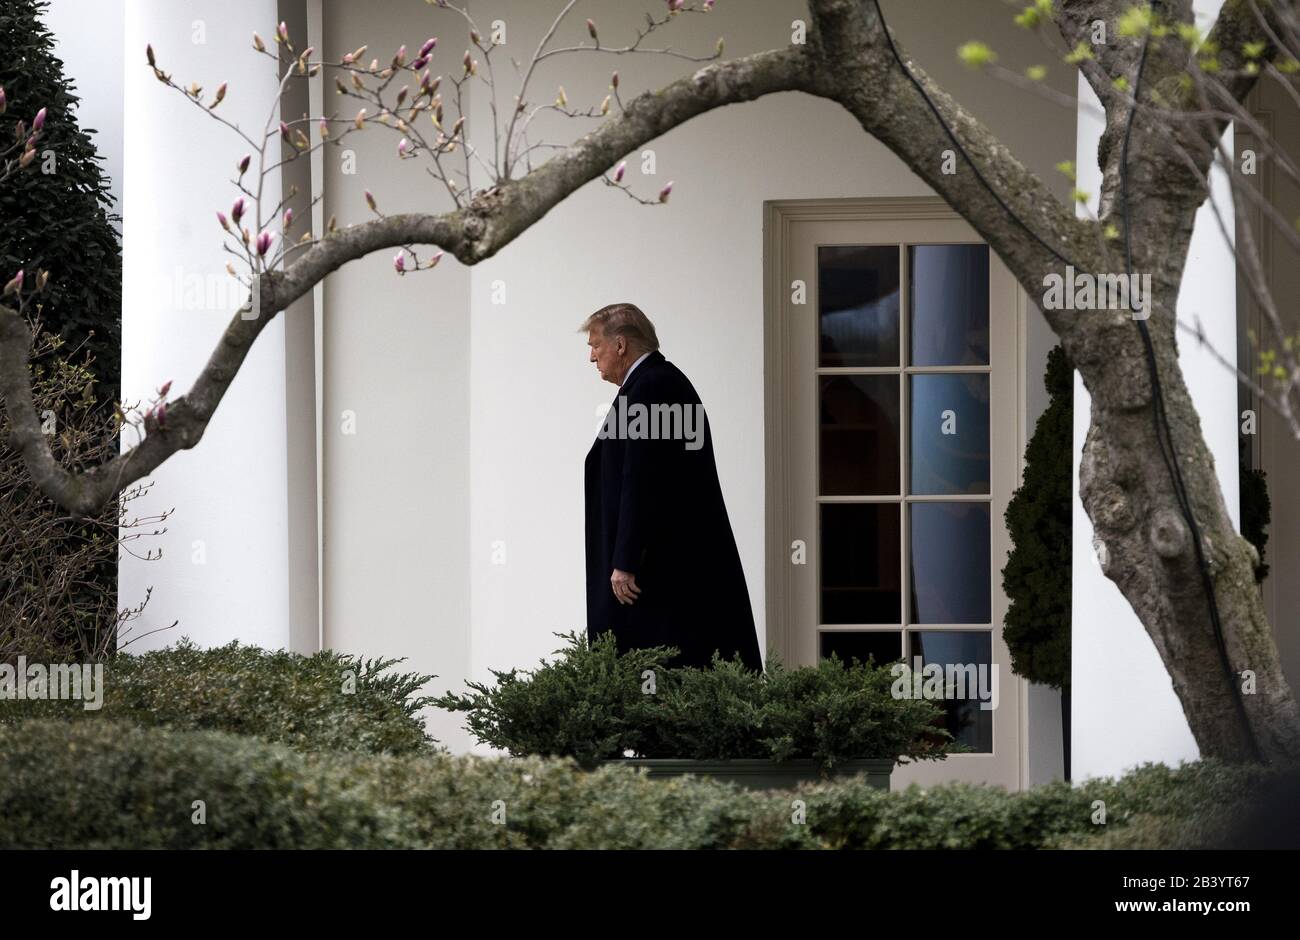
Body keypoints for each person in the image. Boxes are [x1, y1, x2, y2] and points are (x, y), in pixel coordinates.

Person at [581, 302, 762, 672]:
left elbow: (643, 478)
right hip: (670, 568)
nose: (591, 357)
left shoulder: (653, 387)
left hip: (660, 574)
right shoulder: (656, 382)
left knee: (663, 674)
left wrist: (626, 561)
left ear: (620, 345)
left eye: (595, 345)